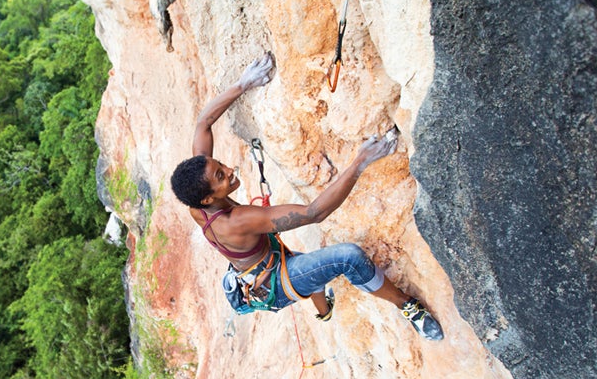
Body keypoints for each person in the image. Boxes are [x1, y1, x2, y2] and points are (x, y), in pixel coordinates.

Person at [170, 52, 443, 341]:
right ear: (207, 199)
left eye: (220, 165)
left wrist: (243, 83)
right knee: (348, 257)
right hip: (276, 283)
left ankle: (323, 310)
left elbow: (203, 124)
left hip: (262, 268)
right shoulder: (237, 221)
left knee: (313, 272)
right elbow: (314, 213)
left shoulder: (196, 196)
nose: (229, 170)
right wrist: (360, 163)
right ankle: (408, 306)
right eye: (221, 176)